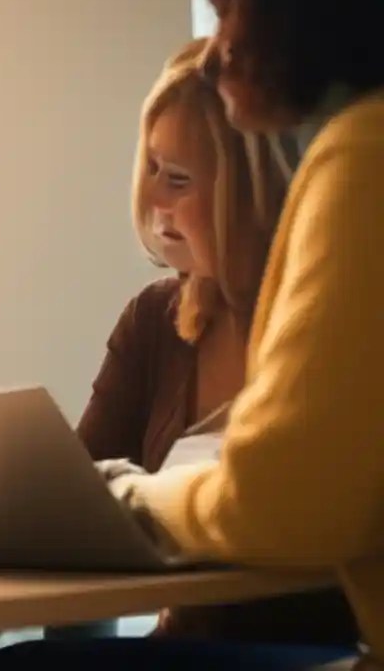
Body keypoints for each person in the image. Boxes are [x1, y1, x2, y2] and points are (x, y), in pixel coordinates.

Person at [0, 0, 384, 668]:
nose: (220, 48)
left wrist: (137, 499)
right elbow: (77, 483)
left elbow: (283, 506)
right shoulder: (155, 318)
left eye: (229, 4)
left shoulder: (365, 157)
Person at [69, 37, 357, 645]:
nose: (151, 200)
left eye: (178, 179)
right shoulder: (153, 320)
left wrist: (137, 500)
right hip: (187, 643)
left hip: (322, 645)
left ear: (257, 191)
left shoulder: (331, 318)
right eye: (149, 168)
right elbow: (74, 497)